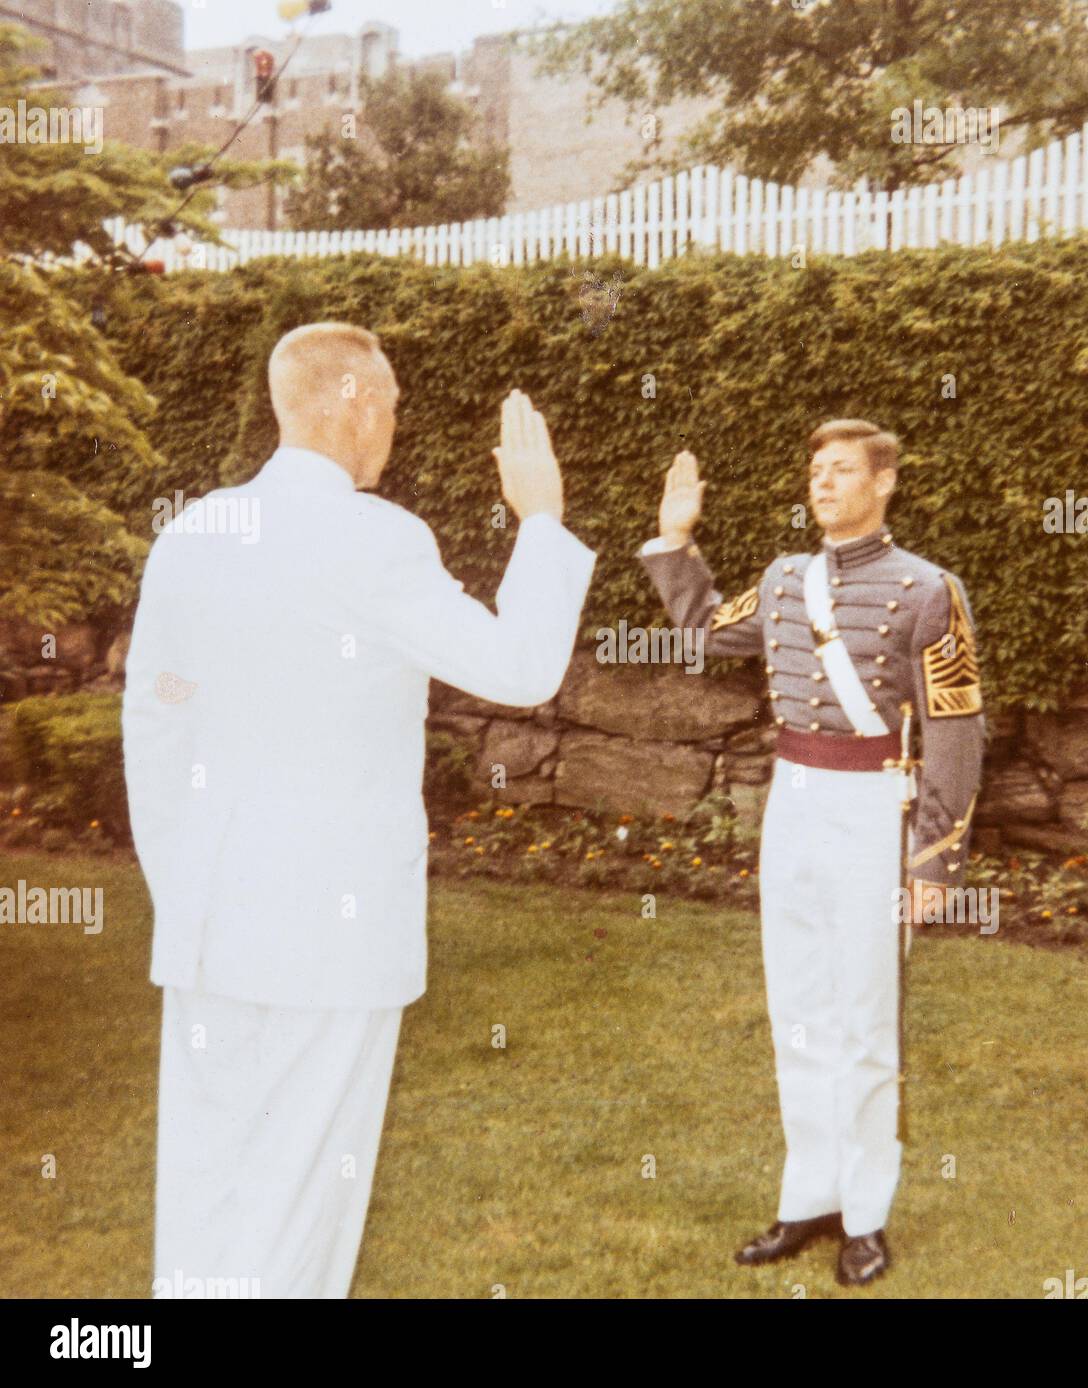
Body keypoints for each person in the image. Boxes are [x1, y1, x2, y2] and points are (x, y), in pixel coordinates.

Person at [122, 322, 595, 1297]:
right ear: (351, 402)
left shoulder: (191, 531)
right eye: (388, 404)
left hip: (210, 921)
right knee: (300, 1205)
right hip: (328, 933)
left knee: (207, 1190)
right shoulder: (376, 539)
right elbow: (520, 666)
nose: (393, 423)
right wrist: (540, 519)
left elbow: (155, 728)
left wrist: (183, 885)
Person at [639, 420, 984, 1287]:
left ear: (885, 482)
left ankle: (864, 1215)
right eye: (816, 470)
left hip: (876, 806)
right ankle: (807, 1198)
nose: (822, 483)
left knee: (865, 1020)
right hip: (793, 801)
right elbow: (711, 630)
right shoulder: (785, 580)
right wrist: (677, 539)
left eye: (841, 471)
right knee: (798, 1006)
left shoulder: (930, 590)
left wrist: (935, 856)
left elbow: (955, 727)